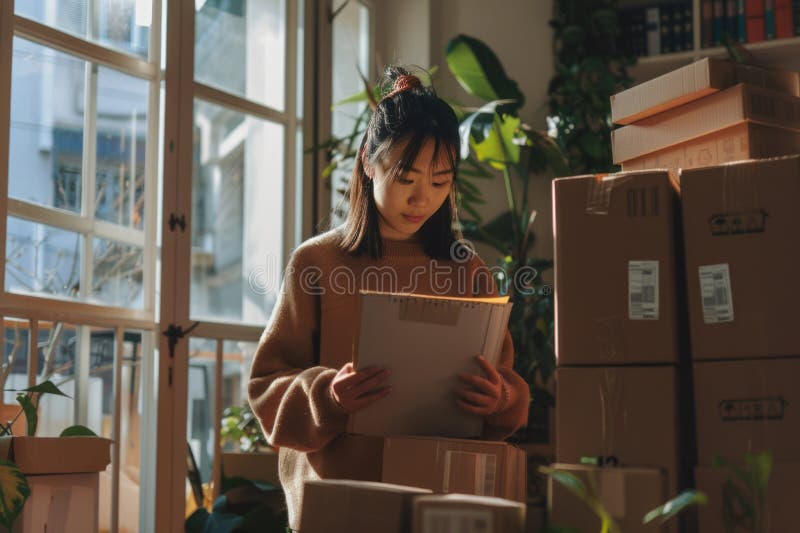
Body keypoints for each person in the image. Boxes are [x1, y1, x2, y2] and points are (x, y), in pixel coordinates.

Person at [248, 65, 529, 531]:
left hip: (441, 501)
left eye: (441, 182)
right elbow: (266, 388)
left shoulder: (469, 272)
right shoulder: (318, 263)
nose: (422, 199)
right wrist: (327, 396)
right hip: (339, 501)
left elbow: (508, 390)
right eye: (406, 177)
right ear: (367, 161)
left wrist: (499, 398)